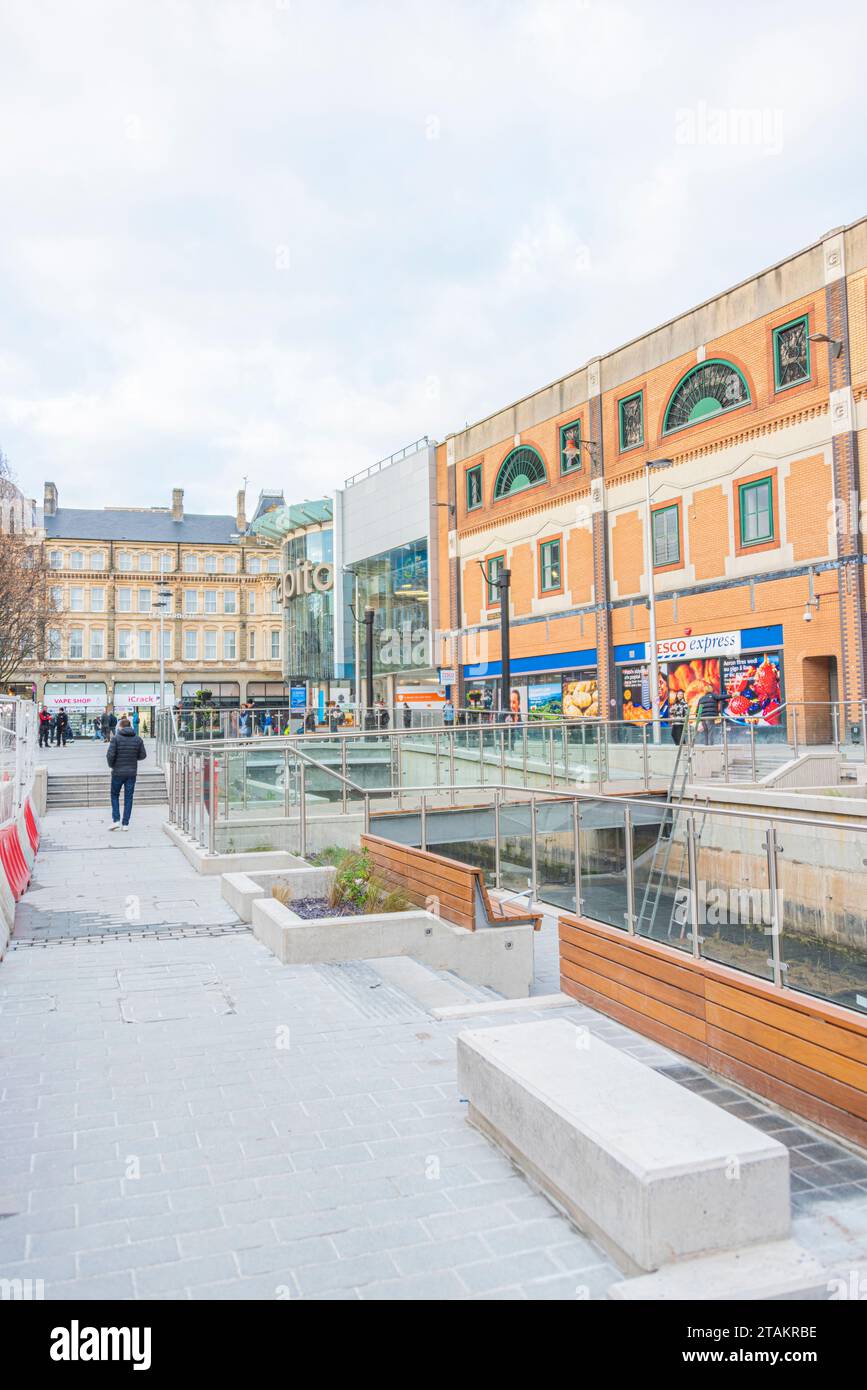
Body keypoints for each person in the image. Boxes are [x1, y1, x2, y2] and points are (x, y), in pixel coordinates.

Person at [106, 714, 147, 831]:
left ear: (120, 727)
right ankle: (125, 824)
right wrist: (133, 758)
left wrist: (112, 765)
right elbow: (143, 755)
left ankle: (116, 820)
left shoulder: (116, 739)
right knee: (128, 797)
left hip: (117, 772)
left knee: (114, 795)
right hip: (131, 773)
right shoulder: (138, 739)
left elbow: (110, 755)